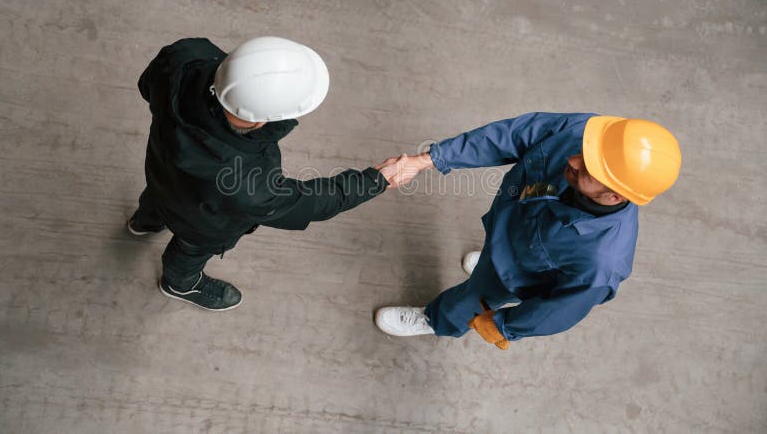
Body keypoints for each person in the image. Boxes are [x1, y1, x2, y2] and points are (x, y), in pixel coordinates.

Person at [130, 36, 397, 311]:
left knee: (157, 200)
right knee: (189, 251)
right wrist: (377, 180)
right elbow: (309, 203)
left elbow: (146, 85)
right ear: (261, 119)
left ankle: (144, 222)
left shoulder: (185, 56)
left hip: (160, 173)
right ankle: (180, 284)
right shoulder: (248, 184)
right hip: (200, 224)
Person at [374, 112, 681, 350]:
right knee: (489, 263)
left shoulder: (601, 261)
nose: (573, 159)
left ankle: (436, 319)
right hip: (510, 224)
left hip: (518, 269)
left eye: (586, 170)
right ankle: (489, 260)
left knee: (475, 298)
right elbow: (513, 135)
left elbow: (561, 309)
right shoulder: (591, 136)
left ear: (615, 196)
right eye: (583, 154)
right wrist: (426, 160)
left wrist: (506, 325)